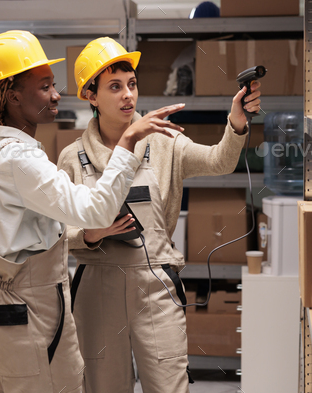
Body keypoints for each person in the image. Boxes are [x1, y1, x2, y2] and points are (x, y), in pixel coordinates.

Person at [0, 31, 185, 393]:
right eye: (45, 87)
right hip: (30, 311)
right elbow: (94, 210)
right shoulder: (21, 160)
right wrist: (127, 143)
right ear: (14, 96)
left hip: (0, 306)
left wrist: (2, 285)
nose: (56, 95)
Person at [57, 37, 262, 393]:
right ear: (90, 96)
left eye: (132, 85)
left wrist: (237, 121)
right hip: (96, 288)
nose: (128, 96)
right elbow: (61, 233)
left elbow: (220, 161)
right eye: (115, 87)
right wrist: (91, 234)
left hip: (155, 286)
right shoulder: (72, 159)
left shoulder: (164, 141)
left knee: (169, 384)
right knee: (103, 386)